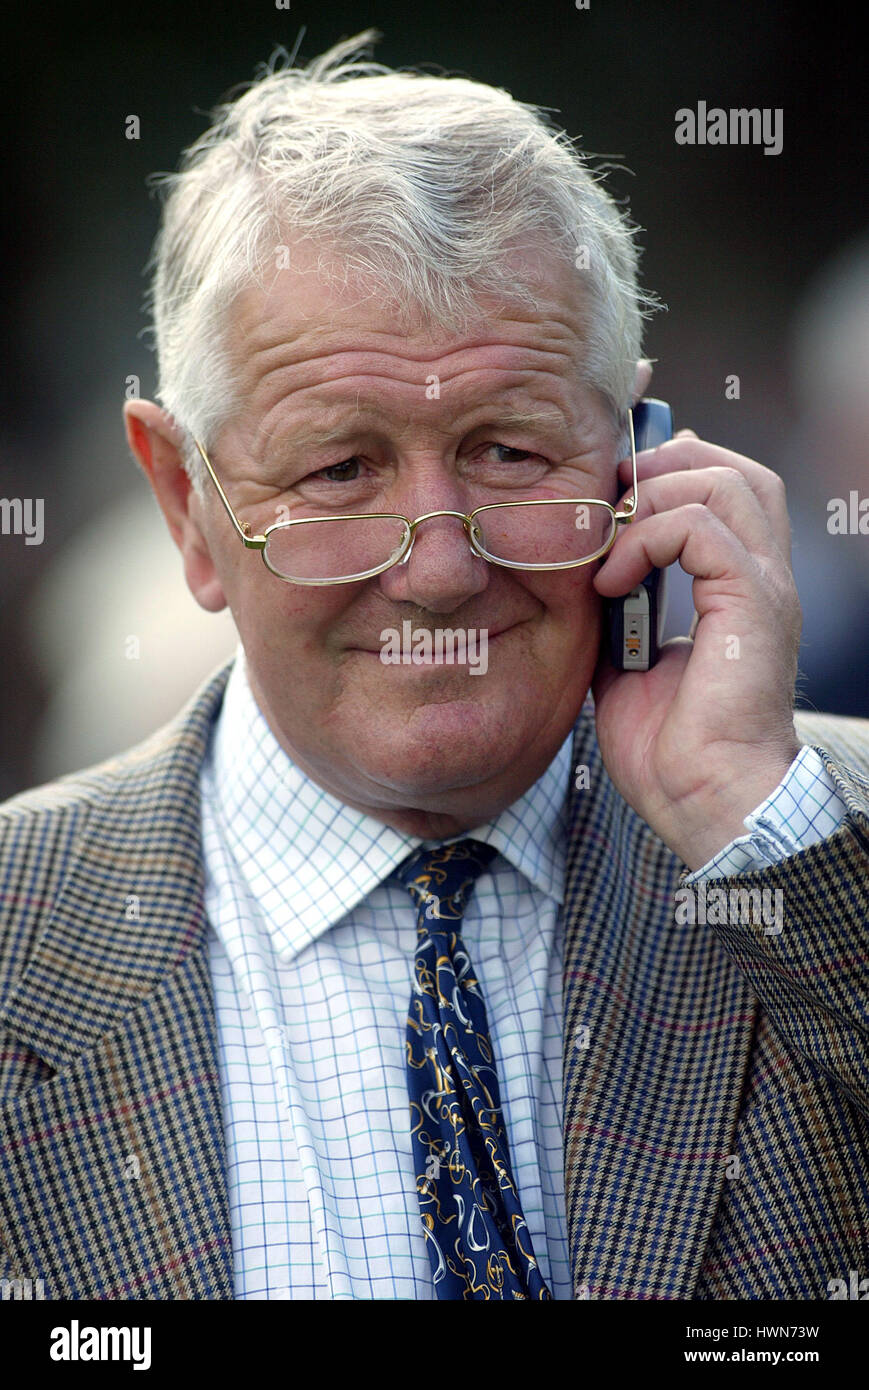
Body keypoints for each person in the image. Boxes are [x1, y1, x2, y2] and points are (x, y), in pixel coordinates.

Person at [1, 31, 867, 1302]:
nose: (440, 566)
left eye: (511, 451)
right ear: (186, 503)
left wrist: (753, 817)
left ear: (637, 455)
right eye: (340, 468)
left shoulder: (810, 845)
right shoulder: (24, 936)